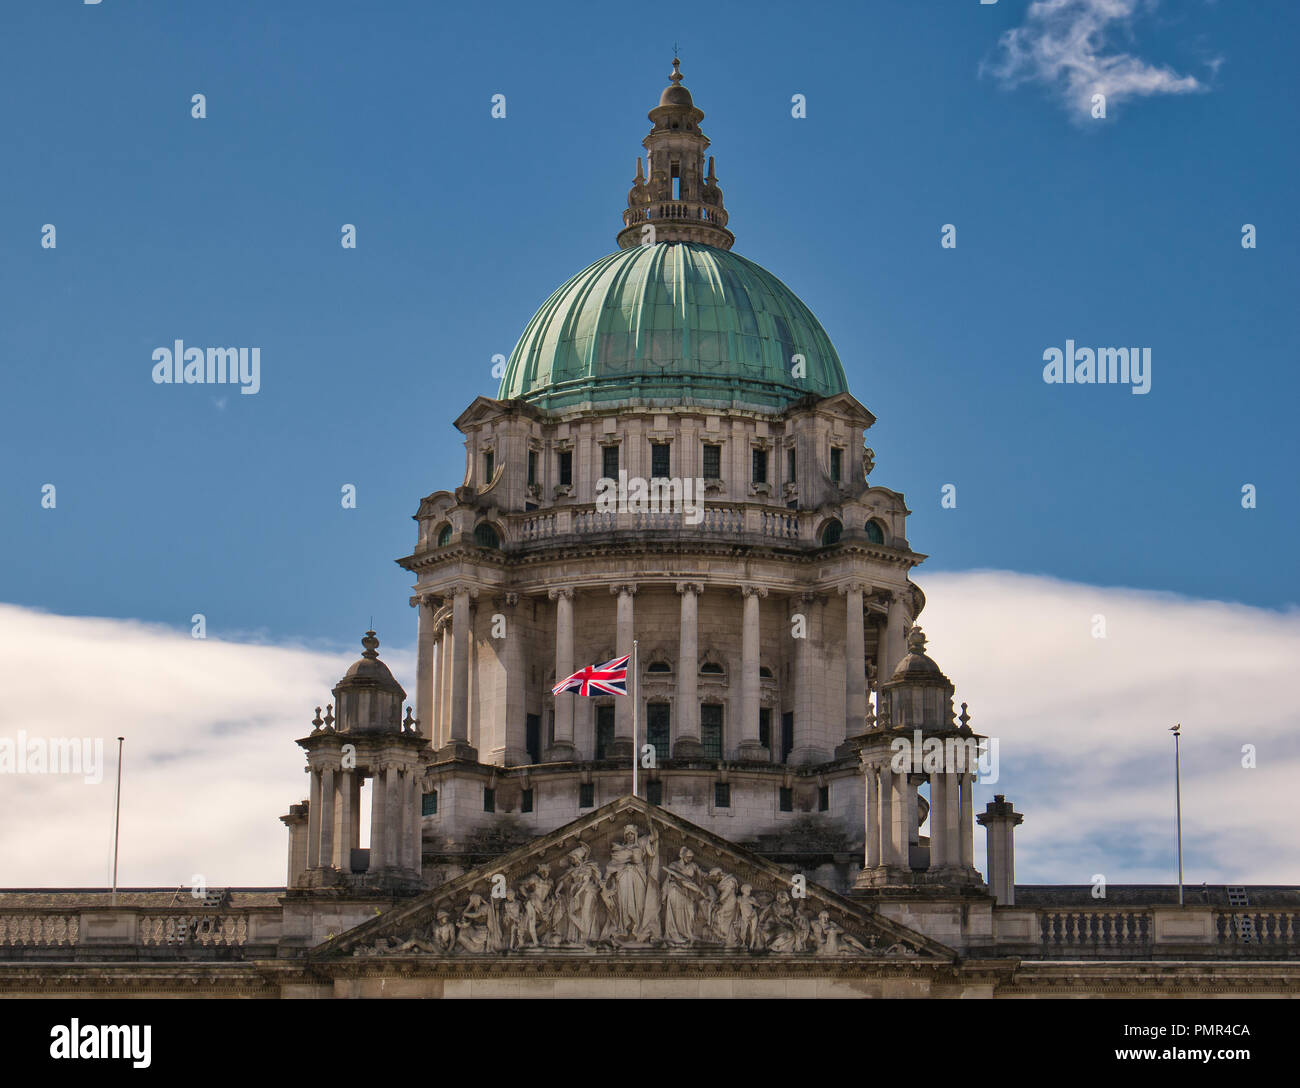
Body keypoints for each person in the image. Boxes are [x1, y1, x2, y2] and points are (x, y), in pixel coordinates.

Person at [661, 846, 705, 946]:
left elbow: (702, 875)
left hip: (688, 893)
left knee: (690, 912)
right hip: (675, 891)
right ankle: (675, 935)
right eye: (688, 857)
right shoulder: (673, 865)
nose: (690, 859)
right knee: (676, 912)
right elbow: (670, 879)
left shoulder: (693, 866)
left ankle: (688, 933)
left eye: (691, 857)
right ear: (683, 856)